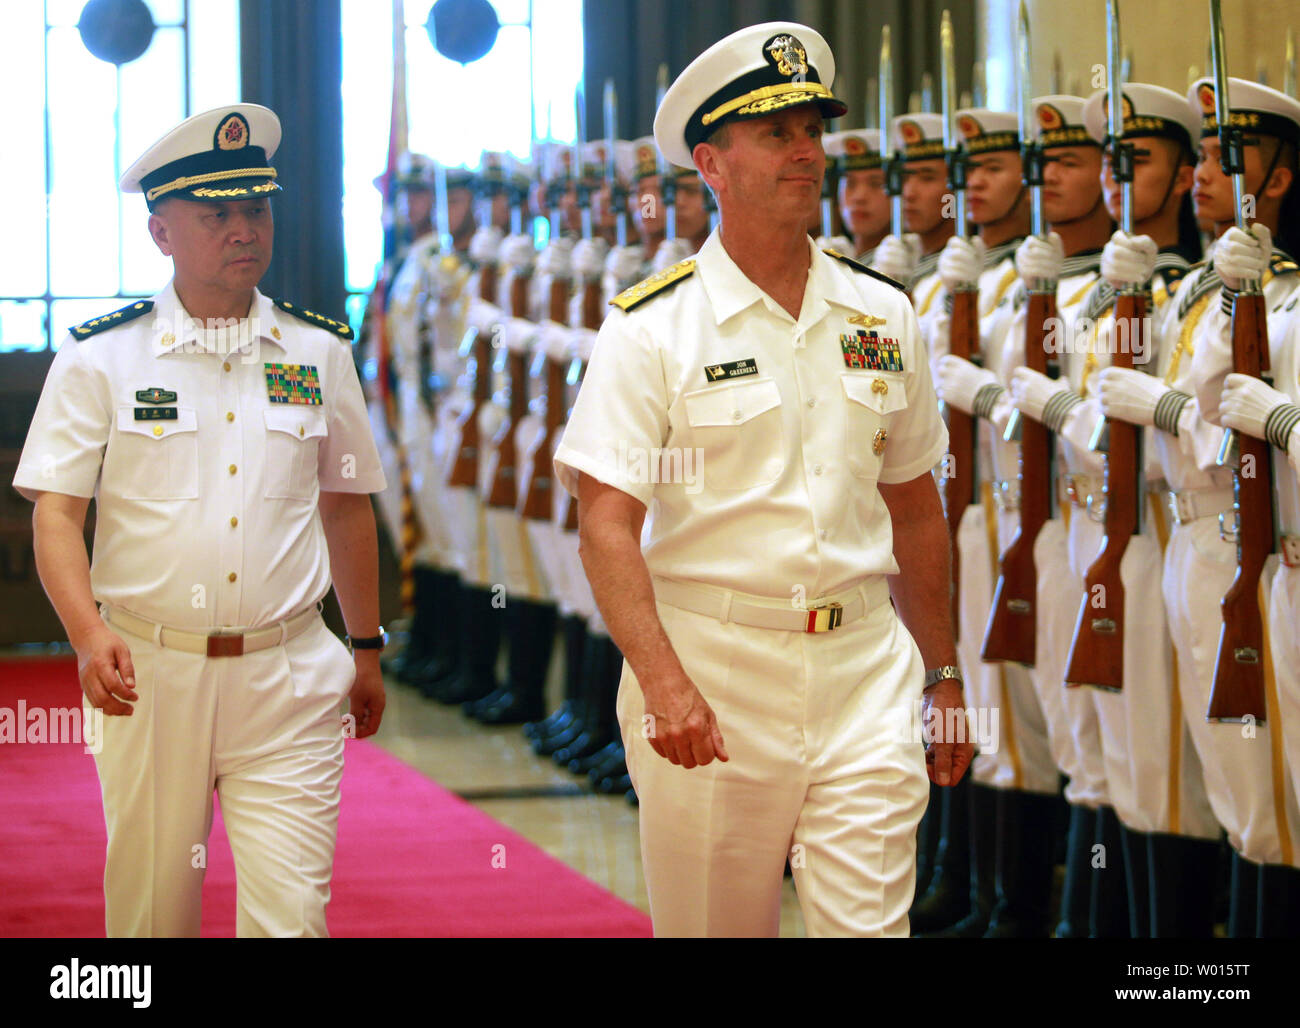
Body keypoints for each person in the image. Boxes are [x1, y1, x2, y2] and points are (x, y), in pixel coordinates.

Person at [553, 22, 972, 937]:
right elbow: (606, 523)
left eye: (811, 131)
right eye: (777, 133)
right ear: (711, 161)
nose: (806, 152)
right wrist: (663, 682)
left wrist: (941, 673)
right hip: (714, 670)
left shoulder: (882, 310)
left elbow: (915, 503)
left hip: (864, 670)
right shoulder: (653, 328)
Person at [13, 104, 387, 937]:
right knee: (152, 920)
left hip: (289, 674)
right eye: (216, 214)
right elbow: (56, 515)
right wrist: (84, 635)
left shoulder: (318, 351)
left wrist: (365, 647)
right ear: (161, 233)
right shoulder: (101, 356)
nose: (244, 230)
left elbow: (345, 504)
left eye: (256, 209)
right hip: (151, 673)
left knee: (294, 920)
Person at [1188, 77, 1300, 937]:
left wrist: (1289, 422)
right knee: (1260, 793)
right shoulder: (1252, 290)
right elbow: (1212, 416)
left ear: (1282, 178)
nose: (1203, 173)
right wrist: (1229, 300)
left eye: (1229, 158)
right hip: (1265, 564)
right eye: (1198, 154)